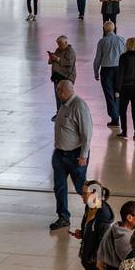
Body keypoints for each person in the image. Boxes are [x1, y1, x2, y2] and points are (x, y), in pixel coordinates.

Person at [49, 80, 92, 231]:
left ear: (64, 91)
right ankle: (63, 217)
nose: (57, 94)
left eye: (58, 92)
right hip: (60, 155)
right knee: (59, 187)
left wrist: (83, 156)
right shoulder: (63, 105)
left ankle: (97, 211)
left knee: (82, 187)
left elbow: (87, 134)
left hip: (75, 155)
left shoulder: (79, 106)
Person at [93, 21, 124, 127]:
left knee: (109, 94)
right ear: (114, 28)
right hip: (119, 69)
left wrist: (96, 71)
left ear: (104, 29)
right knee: (118, 93)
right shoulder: (121, 39)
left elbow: (98, 58)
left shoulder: (102, 41)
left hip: (106, 70)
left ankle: (114, 117)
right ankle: (118, 115)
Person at [117, 37, 135, 140]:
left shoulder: (123, 57)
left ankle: (124, 131)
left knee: (122, 110)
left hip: (126, 87)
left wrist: (117, 89)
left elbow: (120, 74)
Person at [48, 35, 77, 112]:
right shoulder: (58, 50)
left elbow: (70, 63)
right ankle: (59, 111)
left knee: (65, 96)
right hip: (57, 77)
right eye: (58, 44)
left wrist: (57, 59)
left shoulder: (70, 51)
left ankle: (65, 112)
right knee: (58, 95)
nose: (59, 46)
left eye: (60, 44)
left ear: (66, 42)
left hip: (66, 77)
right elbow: (51, 62)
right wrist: (51, 58)